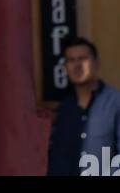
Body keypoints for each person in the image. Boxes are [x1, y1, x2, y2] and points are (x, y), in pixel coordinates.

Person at [47, 36, 120, 176]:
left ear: (96, 63)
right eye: (71, 60)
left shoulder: (115, 102)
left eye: (83, 59)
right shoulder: (63, 109)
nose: (77, 65)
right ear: (65, 67)